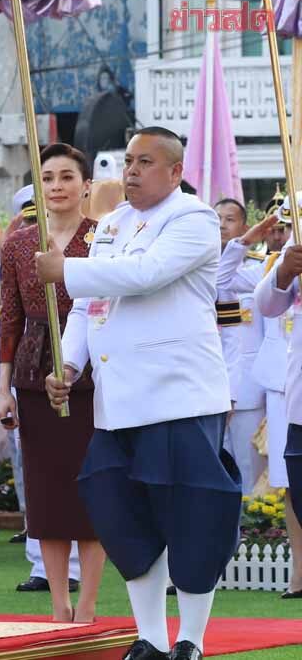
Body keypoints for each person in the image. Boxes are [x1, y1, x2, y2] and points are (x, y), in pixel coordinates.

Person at [40, 127, 240, 660]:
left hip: (178, 397)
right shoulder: (111, 224)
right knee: (122, 517)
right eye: (128, 160)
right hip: (118, 402)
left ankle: (191, 640)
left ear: (174, 172)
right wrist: (70, 363)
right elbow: (88, 306)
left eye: (145, 162)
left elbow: (146, 274)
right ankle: (150, 636)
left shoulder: (193, 218)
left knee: (193, 516)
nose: (130, 171)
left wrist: (68, 269)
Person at [0, 145, 104, 623]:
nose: (56, 185)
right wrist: (2, 389)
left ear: (86, 186)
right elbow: (8, 318)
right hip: (33, 372)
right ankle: (58, 603)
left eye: (66, 177)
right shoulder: (19, 244)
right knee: (46, 491)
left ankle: (88, 603)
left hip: (95, 374)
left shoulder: (103, 239)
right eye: (48, 177)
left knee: (92, 487)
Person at [0, 187, 83, 594]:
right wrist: (0, 247)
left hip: (84, 364)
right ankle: (41, 564)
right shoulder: (15, 248)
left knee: (83, 467)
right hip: (30, 365)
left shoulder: (93, 237)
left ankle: (81, 565)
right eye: (28, 217)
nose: (35, 225)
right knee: (34, 471)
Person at [250, 194, 302, 599]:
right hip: (298, 399)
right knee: (298, 491)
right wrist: (284, 271)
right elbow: (267, 305)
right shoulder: (300, 218)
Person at [215, 198, 269, 494]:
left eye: (229, 219)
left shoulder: (257, 271)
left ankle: (251, 532)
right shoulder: (195, 269)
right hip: (208, 387)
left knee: (249, 472)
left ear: (245, 227)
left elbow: (246, 340)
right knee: (215, 472)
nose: (221, 224)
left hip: (247, 390)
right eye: (217, 218)